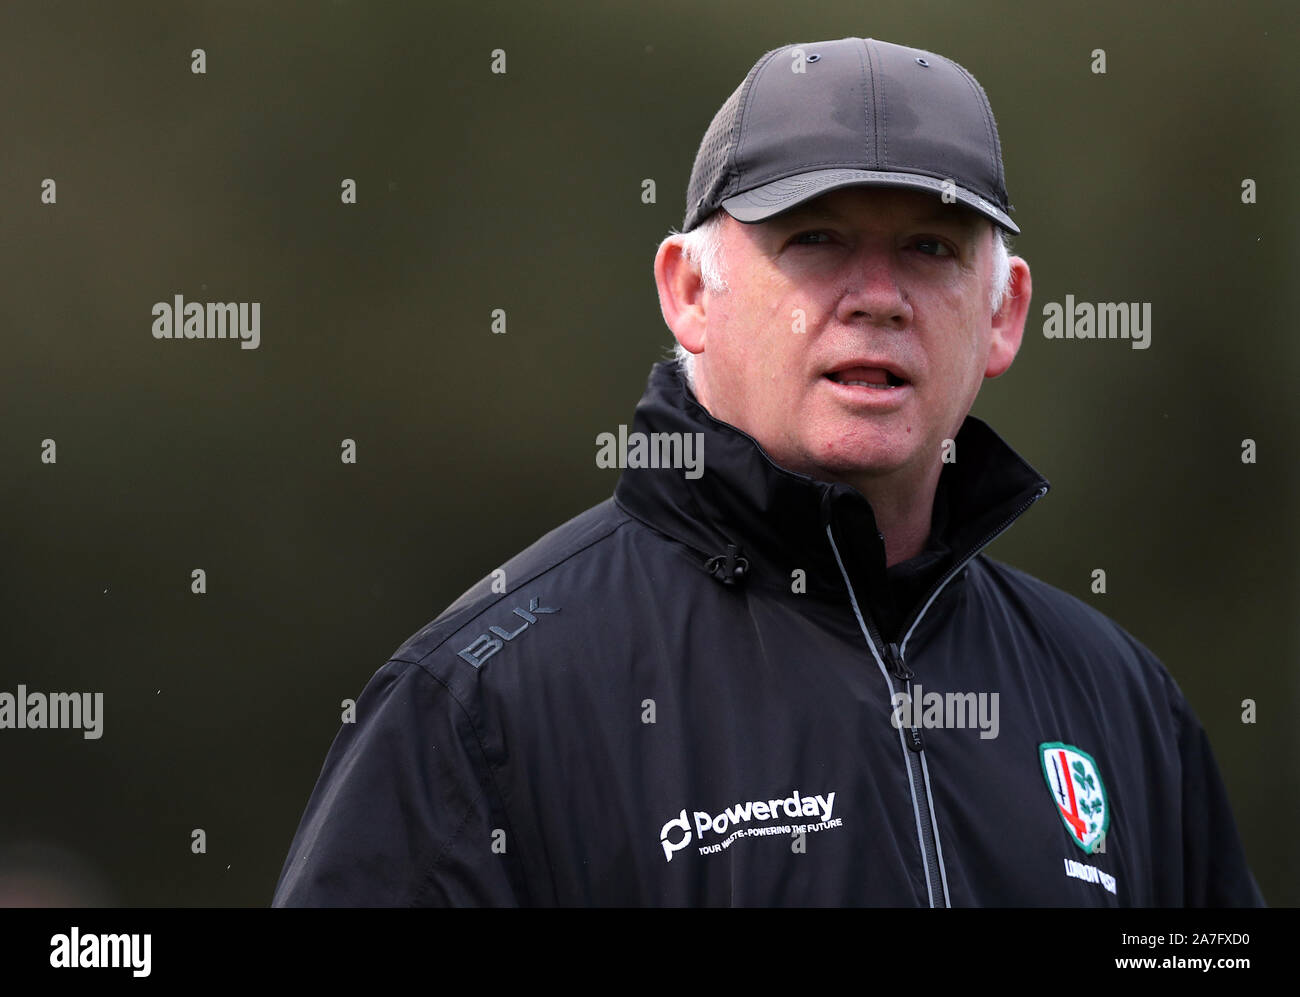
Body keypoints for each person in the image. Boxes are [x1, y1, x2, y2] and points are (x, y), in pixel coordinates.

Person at [272, 36, 1265, 906]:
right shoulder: (480, 703)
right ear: (688, 291)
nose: (876, 297)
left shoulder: (1121, 703)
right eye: (816, 239)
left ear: (1002, 314)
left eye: (928, 247)